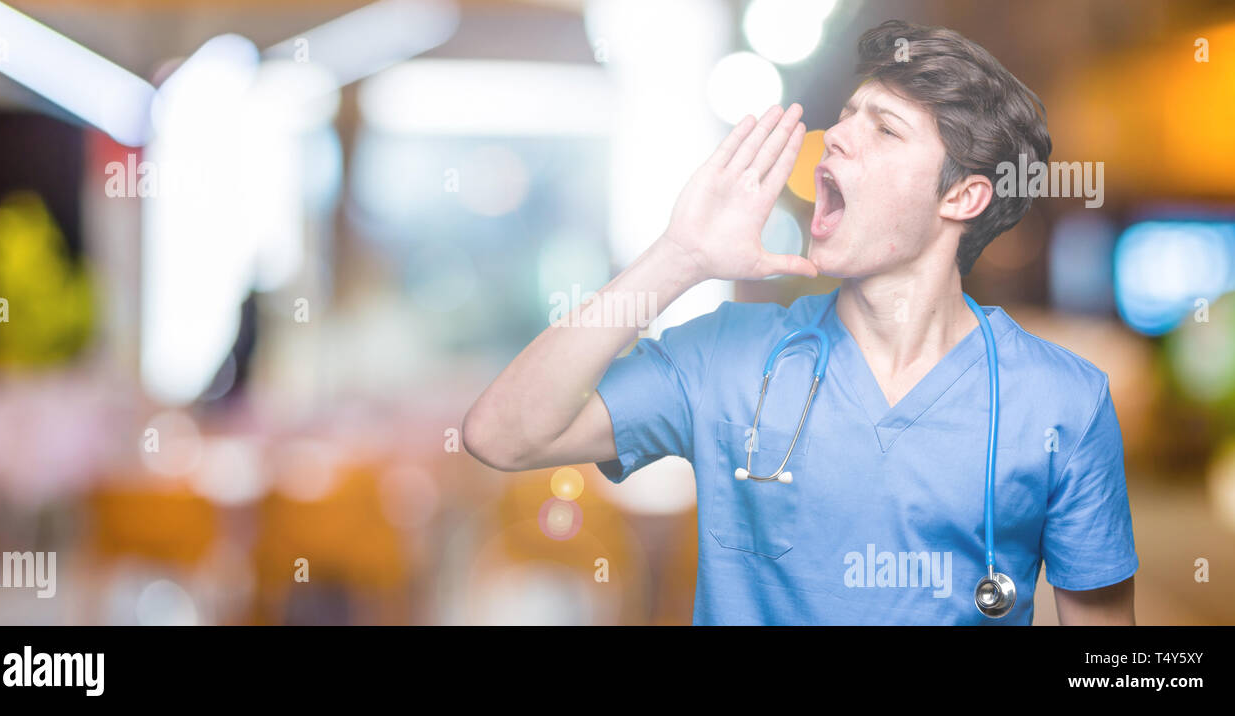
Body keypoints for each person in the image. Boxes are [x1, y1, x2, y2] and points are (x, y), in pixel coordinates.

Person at [462, 19, 1138, 625]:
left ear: (962, 195)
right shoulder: (723, 357)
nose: (836, 136)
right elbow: (502, 437)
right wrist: (679, 257)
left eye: (885, 128)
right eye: (847, 116)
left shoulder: (1064, 403)